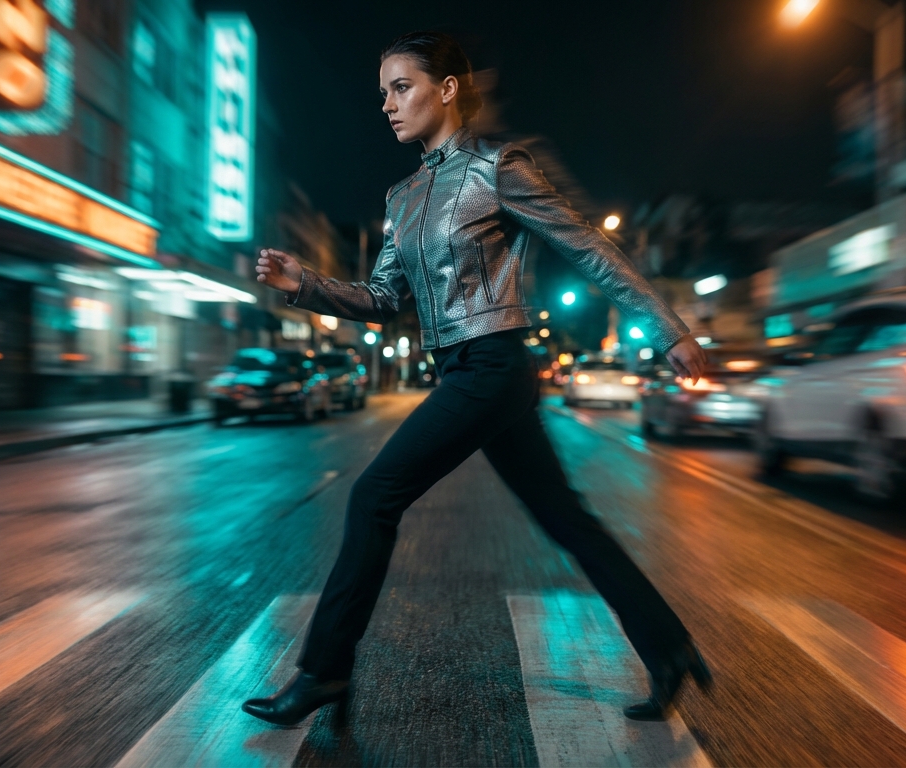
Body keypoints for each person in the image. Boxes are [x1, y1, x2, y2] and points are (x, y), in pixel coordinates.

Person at [243, 30, 712, 727]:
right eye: (382, 94)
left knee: (374, 496)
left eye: (401, 87)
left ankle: (324, 672)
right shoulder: (401, 197)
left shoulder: (499, 167)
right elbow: (382, 298)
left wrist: (667, 322)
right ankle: (670, 647)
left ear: (449, 88)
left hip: (494, 365)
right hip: (466, 370)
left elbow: (588, 247)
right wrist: (302, 282)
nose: (387, 105)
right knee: (566, 517)